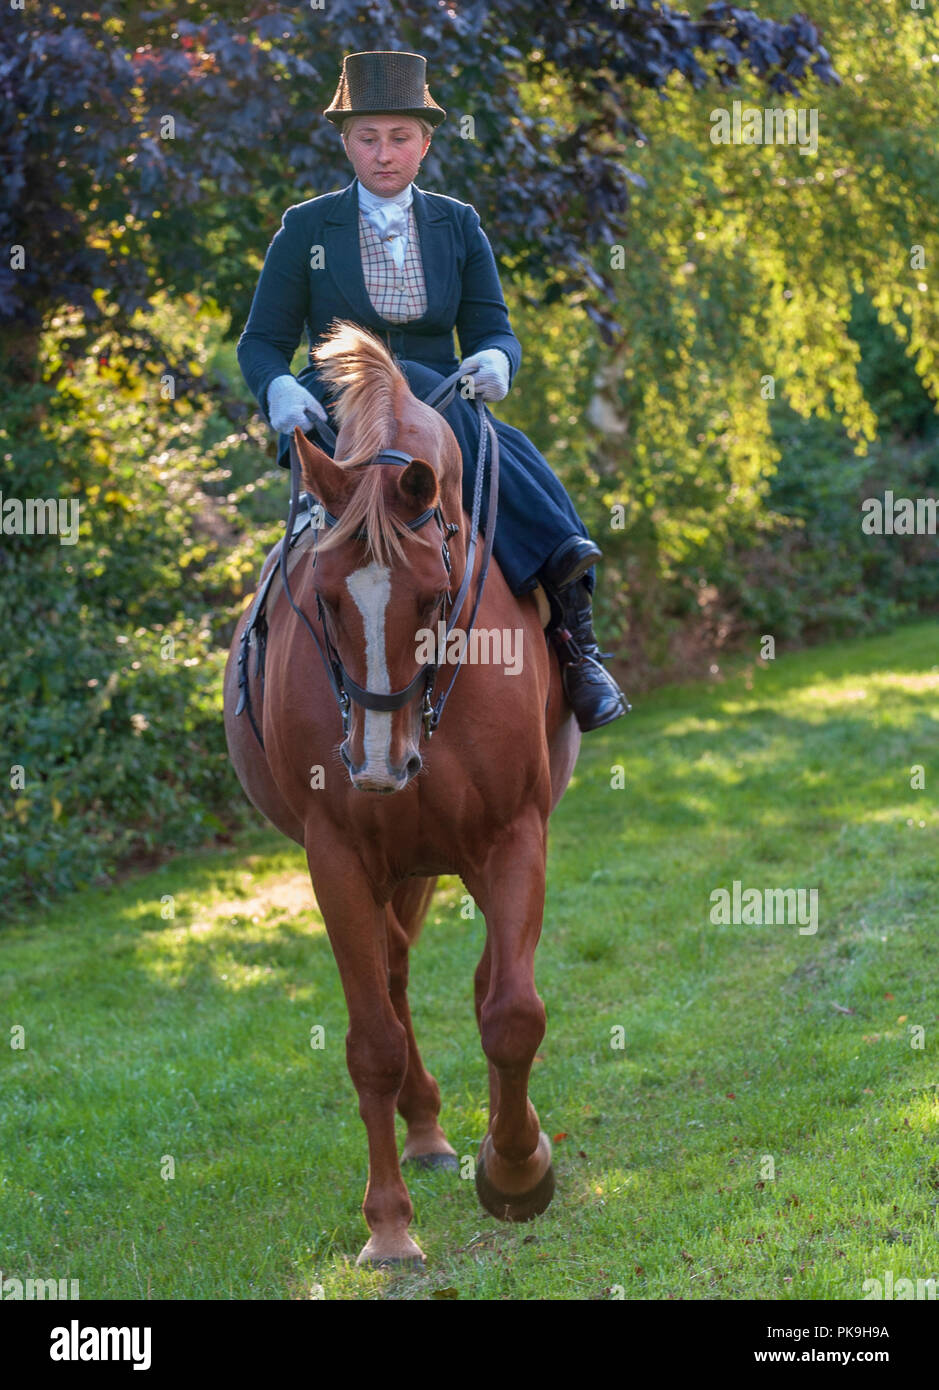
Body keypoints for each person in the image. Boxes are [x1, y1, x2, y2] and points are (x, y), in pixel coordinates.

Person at [236, 50, 628, 731]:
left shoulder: (458, 224)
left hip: (442, 404)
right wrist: (275, 390)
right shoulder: (305, 227)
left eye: (397, 137)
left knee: (524, 463)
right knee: (305, 547)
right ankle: (267, 665)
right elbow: (260, 341)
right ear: (345, 143)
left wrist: (498, 361)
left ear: (424, 142)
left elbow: (494, 330)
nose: (383, 154)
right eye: (367, 138)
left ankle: (575, 646)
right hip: (339, 409)